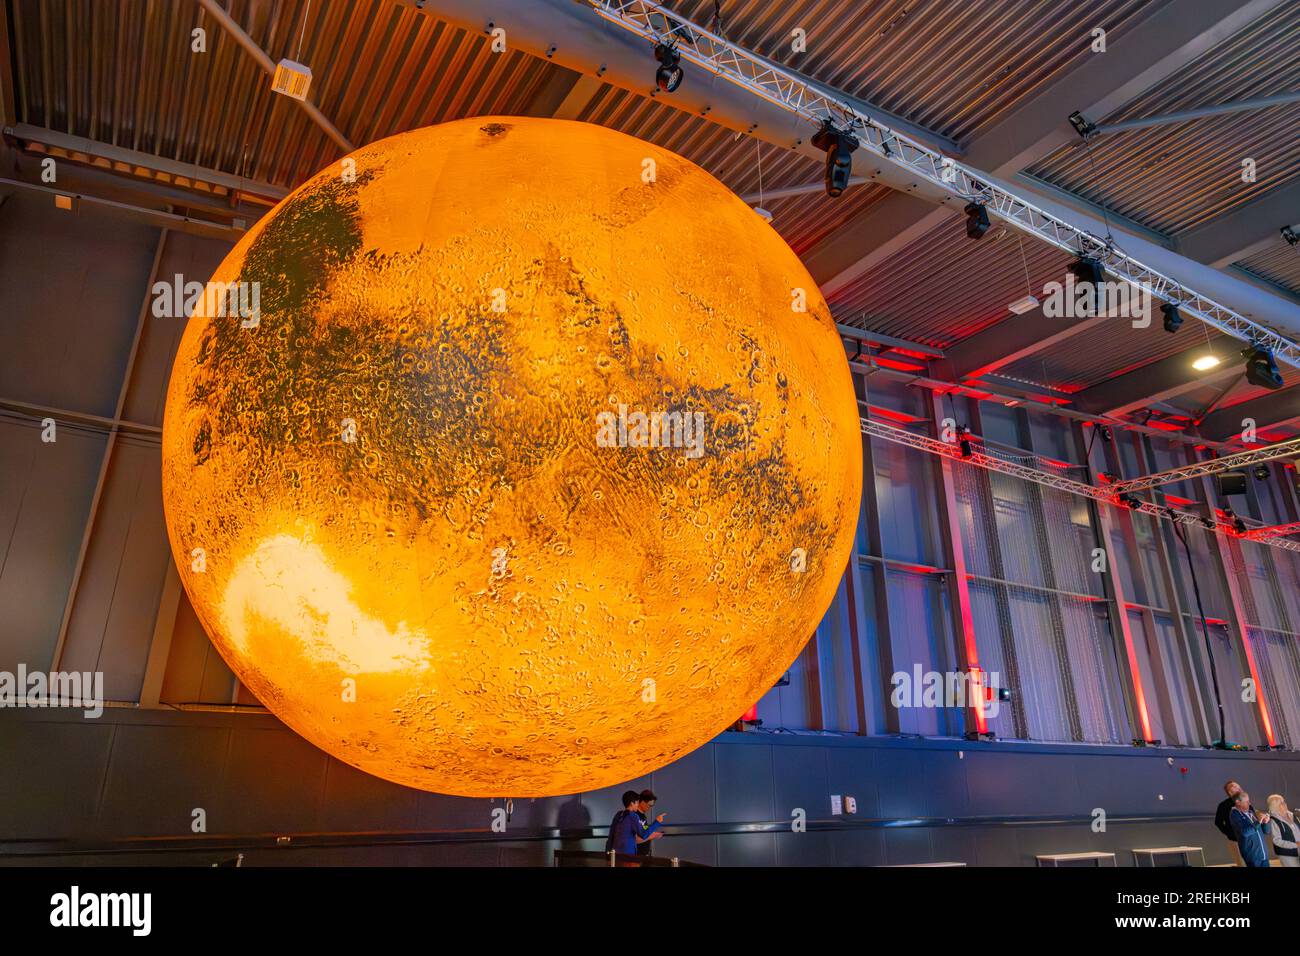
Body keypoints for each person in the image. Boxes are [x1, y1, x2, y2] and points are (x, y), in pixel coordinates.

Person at [605, 790, 665, 861]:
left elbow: (611, 835)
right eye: (637, 802)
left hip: (616, 855)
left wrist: (607, 854)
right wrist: (657, 822)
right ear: (632, 803)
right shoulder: (633, 816)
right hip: (628, 855)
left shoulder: (619, 814)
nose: (638, 804)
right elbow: (644, 834)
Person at [1228, 790, 1272, 868]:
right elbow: (1245, 832)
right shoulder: (1234, 815)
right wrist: (1258, 821)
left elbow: (1267, 831)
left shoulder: (1252, 813)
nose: (1249, 803)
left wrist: (1266, 822)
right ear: (1238, 802)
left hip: (1263, 854)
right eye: (1247, 801)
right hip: (1252, 856)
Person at [1215, 780, 1251, 866]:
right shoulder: (1223, 805)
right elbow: (1218, 822)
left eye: (1238, 786)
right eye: (1235, 787)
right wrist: (1230, 833)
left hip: (1250, 838)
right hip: (1236, 840)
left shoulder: (1246, 802)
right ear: (1230, 792)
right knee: (1242, 863)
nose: (1239, 788)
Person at [1267, 794, 1299, 867]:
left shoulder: (1292, 815)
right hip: (1287, 854)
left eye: (1284, 801)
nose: (1285, 804)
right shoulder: (1273, 821)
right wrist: (1295, 845)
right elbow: (1277, 841)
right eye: (1281, 803)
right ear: (1275, 806)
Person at [635, 789, 658, 858]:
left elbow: (645, 830)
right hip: (637, 855)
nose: (650, 808)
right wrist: (652, 836)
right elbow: (636, 839)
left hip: (644, 854)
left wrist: (652, 833)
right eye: (649, 805)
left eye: (652, 806)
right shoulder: (635, 816)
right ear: (642, 802)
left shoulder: (643, 816)